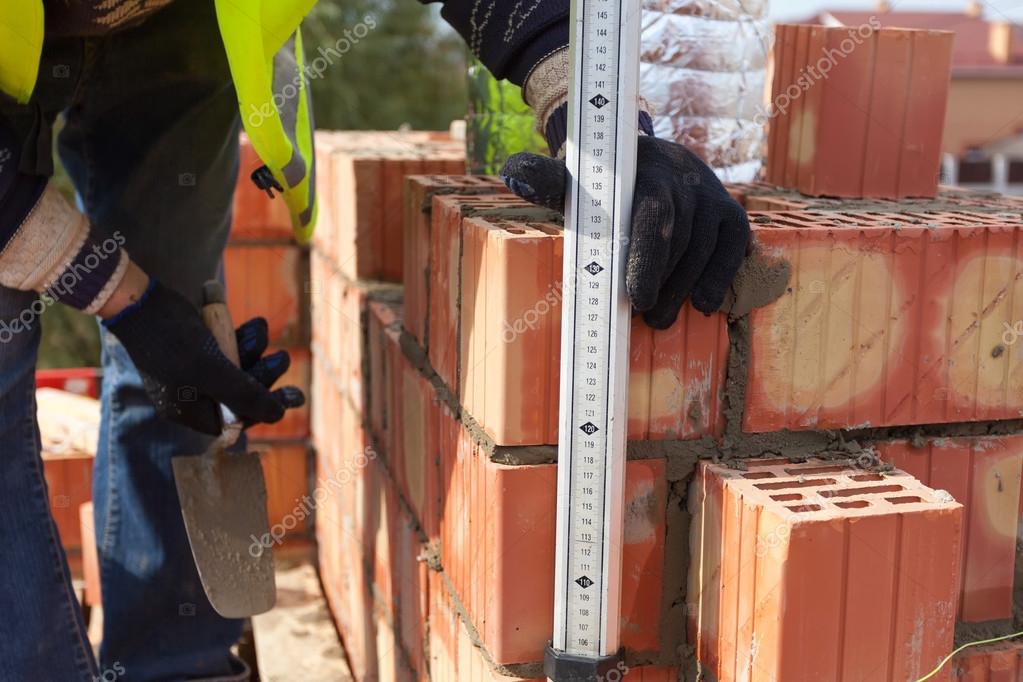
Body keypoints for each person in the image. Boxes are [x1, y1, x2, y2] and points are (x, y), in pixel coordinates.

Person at [0, 1, 749, 679]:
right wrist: (125, 301)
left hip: (178, 28)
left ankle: (172, 664)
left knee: (183, 361)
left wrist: (599, 123)